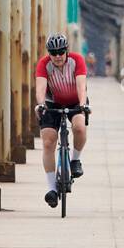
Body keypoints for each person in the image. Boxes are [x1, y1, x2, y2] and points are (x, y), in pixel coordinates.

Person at [34, 32, 88, 208]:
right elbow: (41, 88)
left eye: (61, 52)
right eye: (53, 53)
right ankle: (52, 189)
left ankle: (75, 160)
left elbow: (81, 85)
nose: (57, 56)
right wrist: (41, 104)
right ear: (49, 53)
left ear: (67, 51)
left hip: (75, 101)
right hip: (52, 102)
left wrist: (82, 105)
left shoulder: (77, 60)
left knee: (79, 127)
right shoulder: (44, 64)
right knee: (49, 141)